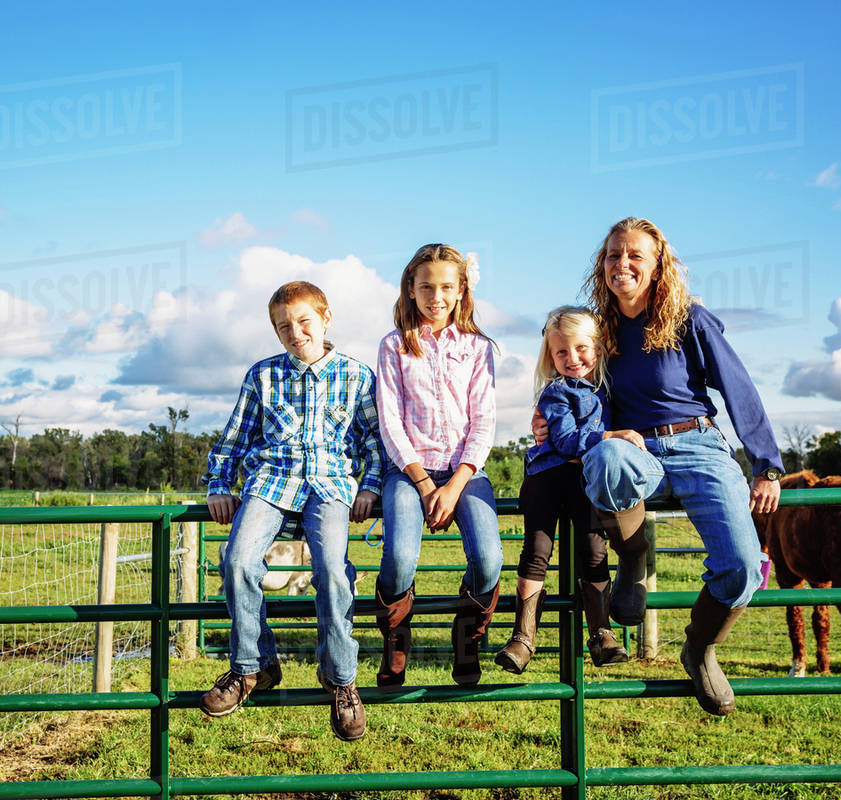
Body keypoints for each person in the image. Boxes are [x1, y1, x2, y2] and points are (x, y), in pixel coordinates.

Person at [538, 218, 783, 716]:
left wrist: (767, 464)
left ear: (657, 265)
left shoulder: (688, 319)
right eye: (612, 255)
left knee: (741, 567)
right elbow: (574, 382)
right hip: (633, 449)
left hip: (698, 445)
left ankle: (700, 648)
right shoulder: (598, 329)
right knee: (604, 458)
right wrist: (548, 417)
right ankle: (633, 559)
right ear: (601, 265)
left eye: (634, 256)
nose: (621, 264)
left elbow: (738, 388)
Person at [199, 281, 384, 741]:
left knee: (333, 572)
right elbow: (233, 439)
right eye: (284, 326)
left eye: (303, 321)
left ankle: (340, 678)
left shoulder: (357, 376)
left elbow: (375, 444)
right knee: (237, 561)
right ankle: (253, 666)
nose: (295, 331)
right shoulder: (261, 376)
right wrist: (220, 486)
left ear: (326, 319)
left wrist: (371, 488)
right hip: (272, 483)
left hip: (331, 485)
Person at [374, 244, 501, 688]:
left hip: (465, 472)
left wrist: (455, 483)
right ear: (410, 288)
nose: (436, 296)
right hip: (409, 473)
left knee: (488, 558)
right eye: (426, 286)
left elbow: (483, 420)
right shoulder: (394, 346)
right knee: (401, 556)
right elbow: (389, 420)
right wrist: (426, 483)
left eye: (447, 286)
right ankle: (395, 639)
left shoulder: (477, 347)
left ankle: (468, 638)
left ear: (462, 289)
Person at [496, 305, 642, 673]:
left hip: (585, 482)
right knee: (537, 550)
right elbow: (563, 441)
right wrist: (611, 435)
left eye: (581, 349)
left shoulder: (610, 389)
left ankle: (600, 633)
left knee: (594, 550)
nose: (572, 358)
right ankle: (523, 636)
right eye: (561, 352)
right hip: (549, 478)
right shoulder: (555, 393)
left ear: (597, 347)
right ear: (550, 356)